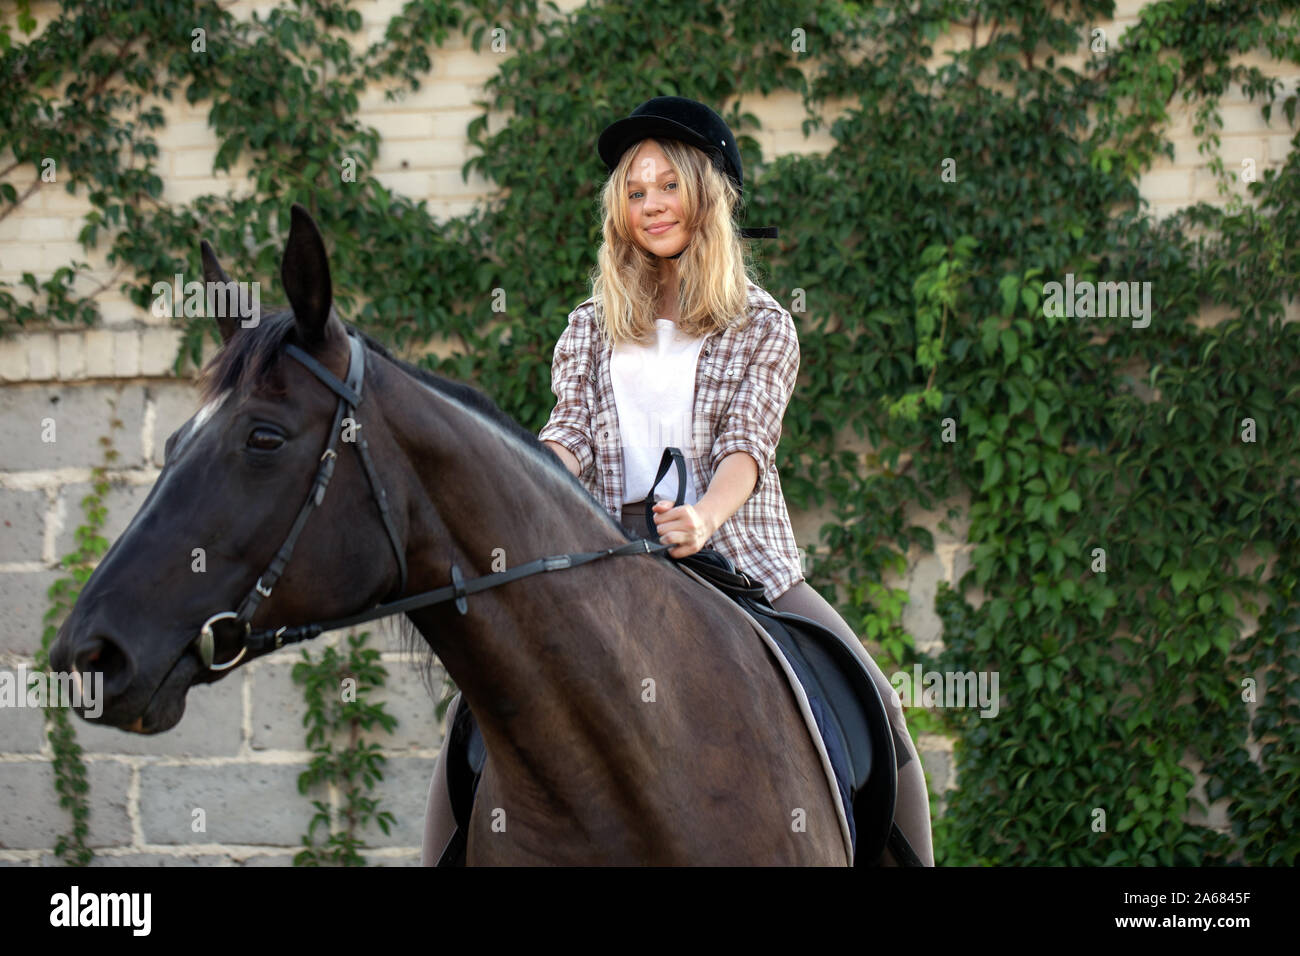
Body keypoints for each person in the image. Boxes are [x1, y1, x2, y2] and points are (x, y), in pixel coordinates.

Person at [422, 96, 934, 866]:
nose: (652, 204)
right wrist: (524, 497)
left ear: (707, 191)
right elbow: (567, 439)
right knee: (474, 716)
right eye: (636, 191)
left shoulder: (763, 324)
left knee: (881, 709)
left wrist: (702, 517)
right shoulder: (589, 325)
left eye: (668, 185)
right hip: (598, 558)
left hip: (738, 558)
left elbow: (746, 446)